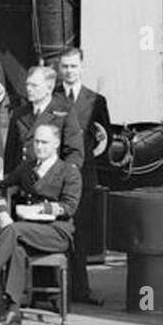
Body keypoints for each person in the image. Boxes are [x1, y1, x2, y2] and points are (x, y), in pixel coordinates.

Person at [0, 125, 81, 325]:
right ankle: (13, 310)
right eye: (36, 142)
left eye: (44, 142)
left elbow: (70, 206)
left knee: (14, 230)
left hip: (57, 232)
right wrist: (4, 211)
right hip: (28, 231)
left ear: (57, 144)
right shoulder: (27, 167)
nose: (39, 147)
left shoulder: (68, 172)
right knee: (16, 247)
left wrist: (40, 210)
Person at [56, 47, 112, 304]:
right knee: (56, 232)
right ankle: (55, 289)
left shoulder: (96, 101)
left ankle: (80, 291)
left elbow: (104, 141)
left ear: (82, 67)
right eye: (65, 67)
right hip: (56, 177)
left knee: (81, 233)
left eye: (73, 66)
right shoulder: (52, 97)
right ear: (59, 68)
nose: (69, 71)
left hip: (84, 178)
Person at [4, 64, 84, 174]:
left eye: (34, 85)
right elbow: (10, 154)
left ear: (49, 87)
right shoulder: (19, 114)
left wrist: (65, 178)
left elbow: (74, 152)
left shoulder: (64, 113)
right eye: (27, 84)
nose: (29, 89)